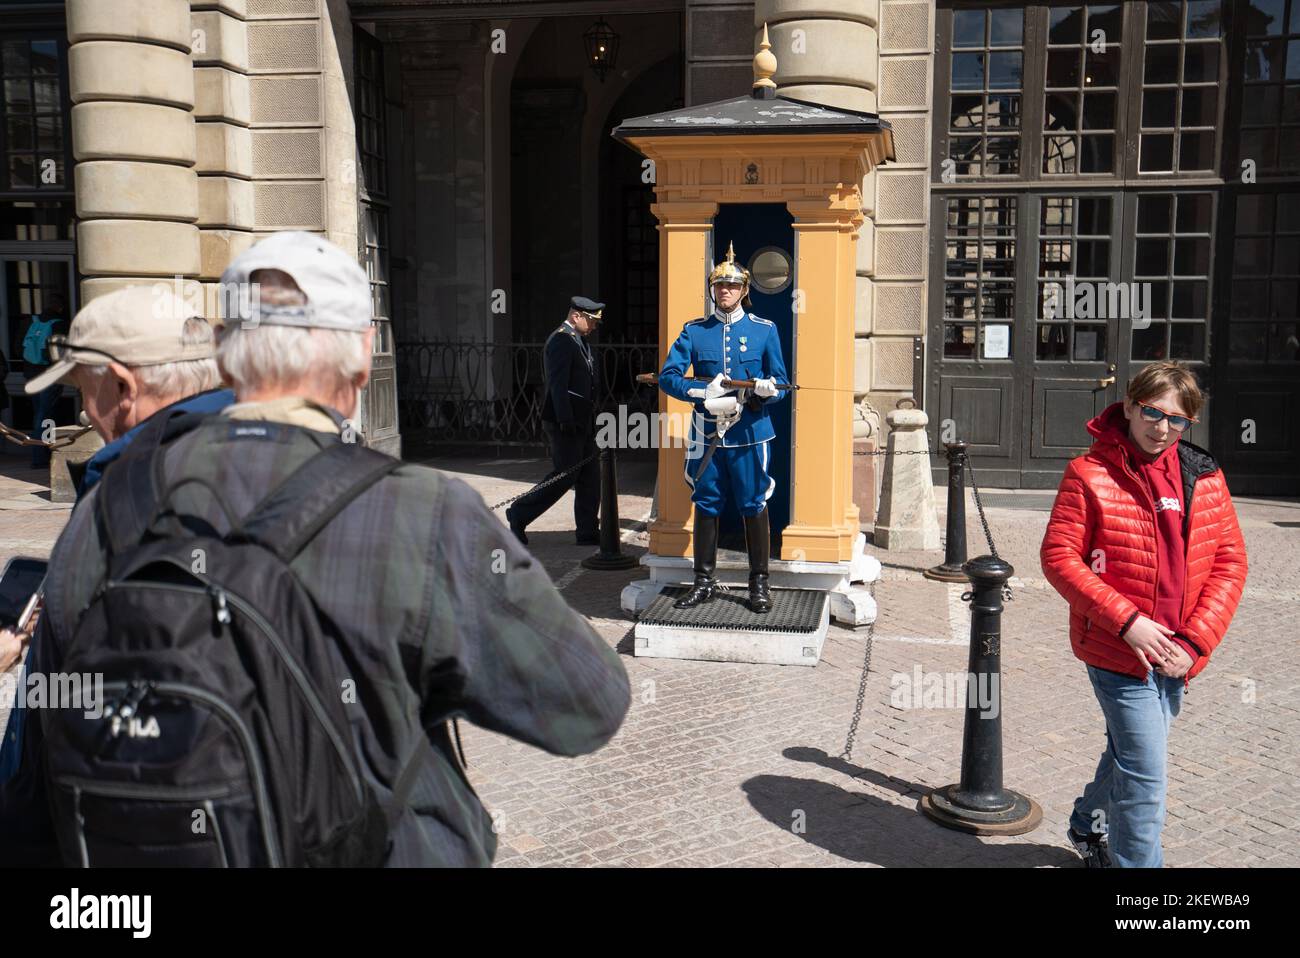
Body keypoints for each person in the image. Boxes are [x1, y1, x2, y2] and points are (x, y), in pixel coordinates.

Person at [0, 232, 630, 866]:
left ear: (225, 354)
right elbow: (587, 704)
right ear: (362, 356)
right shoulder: (420, 512)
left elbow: (42, 745)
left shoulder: (108, 505)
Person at [0, 285, 235, 785]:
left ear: (125, 389)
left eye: (86, 388)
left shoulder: (123, 495)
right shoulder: (262, 455)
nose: (84, 410)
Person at [1040, 361, 1247, 868]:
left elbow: (1230, 561)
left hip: (1177, 653)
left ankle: (1087, 823)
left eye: (1177, 420)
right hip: (1117, 650)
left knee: (1131, 757)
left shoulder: (1205, 474)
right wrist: (1127, 621)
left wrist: (1197, 642)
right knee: (1146, 781)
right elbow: (1059, 557)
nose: (1163, 428)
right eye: (1153, 413)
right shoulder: (1088, 474)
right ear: (1130, 406)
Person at [658, 242, 789, 614]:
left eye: (732, 286)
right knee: (706, 503)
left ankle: (759, 584)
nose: (725, 291)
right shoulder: (695, 331)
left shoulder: (764, 330)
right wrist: (702, 390)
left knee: (754, 503)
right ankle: (703, 582)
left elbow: (779, 382)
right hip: (707, 433)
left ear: (744, 291)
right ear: (712, 290)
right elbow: (669, 378)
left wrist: (765, 392)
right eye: (719, 286)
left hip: (750, 433)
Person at [23, 285, 235, 497]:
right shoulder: (257, 444)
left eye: (84, 390)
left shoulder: (123, 488)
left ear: (123, 386)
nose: (86, 406)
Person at [505, 295, 605, 546]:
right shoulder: (562, 340)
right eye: (591, 320)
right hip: (566, 421)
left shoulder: (579, 340)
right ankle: (519, 513)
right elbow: (558, 385)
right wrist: (565, 419)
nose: (593, 326)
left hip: (583, 420)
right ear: (576, 316)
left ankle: (587, 531)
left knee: (590, 477)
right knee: (564, 475)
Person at [21, 291, 67, 470]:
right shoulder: (59, 324)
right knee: (46, 415)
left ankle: (41, 452)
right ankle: (41, 455)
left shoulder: (30, 322)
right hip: (49, 375)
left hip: (30, 375)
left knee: (39, 414)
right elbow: (60, 354)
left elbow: (19, 348)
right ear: (60, 307)